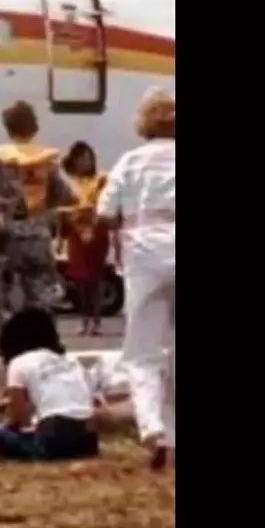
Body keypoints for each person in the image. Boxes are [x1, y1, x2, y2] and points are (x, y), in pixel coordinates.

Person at [97, 88, 175, 470]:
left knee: (142, 352)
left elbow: (105, 213)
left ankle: (154, 430)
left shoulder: (130, 161)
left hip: (144, 256)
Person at [0, 100, 77, 350]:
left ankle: (6, 343)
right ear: (35, 126)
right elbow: (65, 195)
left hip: (2, 237)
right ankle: (46, 342)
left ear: (7, 127)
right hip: (36, 234)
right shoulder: (46, 161)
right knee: (40, 292)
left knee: (5, 292)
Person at [0, 309, 101, 461]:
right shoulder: (71, 360)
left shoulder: (18, 363)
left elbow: (18, 420)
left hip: (53, 437)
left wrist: (4, 423)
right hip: (89, 438)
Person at [60, 141, 116, 336]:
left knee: (96, 277)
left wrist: (91, 224)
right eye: (81, 159)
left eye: (88, 158)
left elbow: (104, 203)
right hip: (76, 231)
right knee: (80, 279)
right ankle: (84, 318)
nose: (86, 162)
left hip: (96, 229)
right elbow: (64, 205)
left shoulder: (102, 178)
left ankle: (96, 320)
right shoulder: (70, 181)